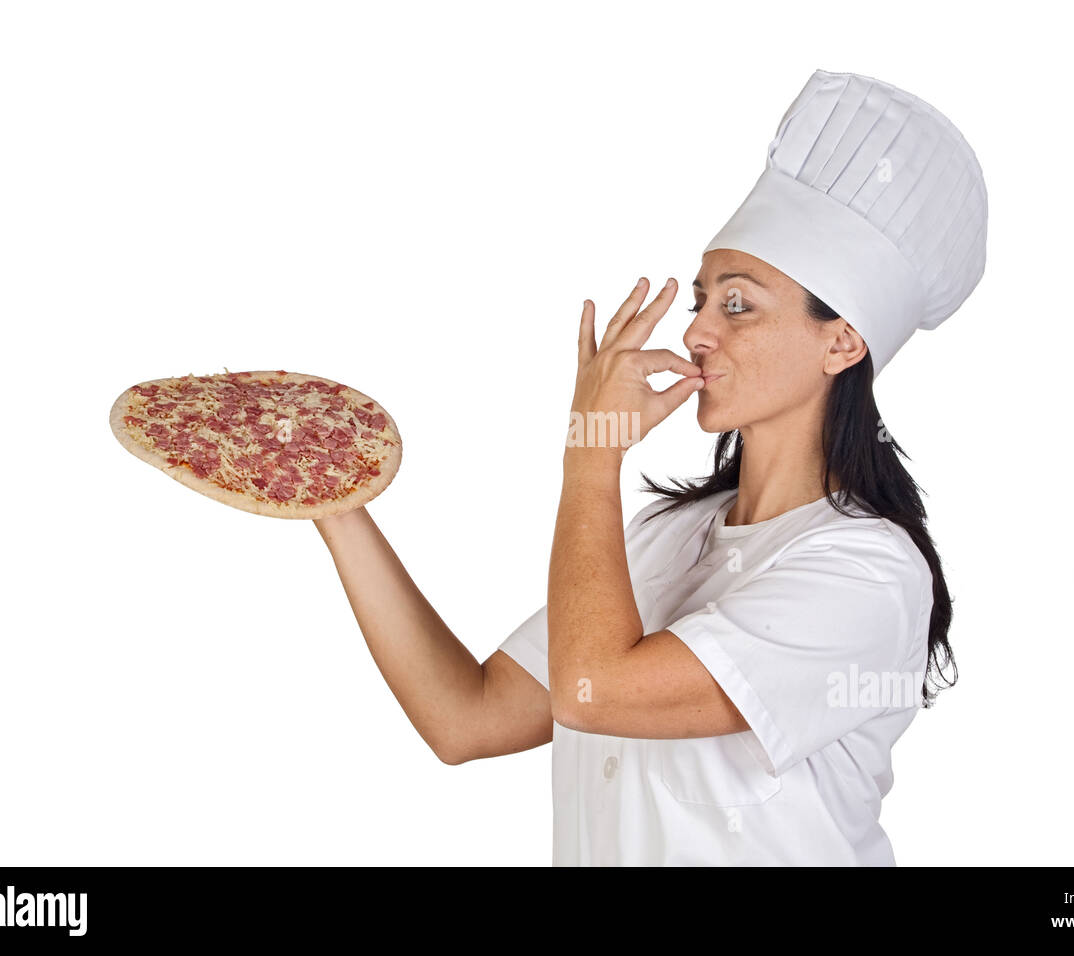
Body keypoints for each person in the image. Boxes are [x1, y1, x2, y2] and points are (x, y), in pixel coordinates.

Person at [314, 69, 988, 865]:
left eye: (737, 304)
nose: (699, 331)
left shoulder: (866, 575)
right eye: (701, 300)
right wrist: (331, 500)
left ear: (841, 343)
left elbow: (591, 689)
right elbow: (469, 717)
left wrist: (592, 453)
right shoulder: (669, 534)